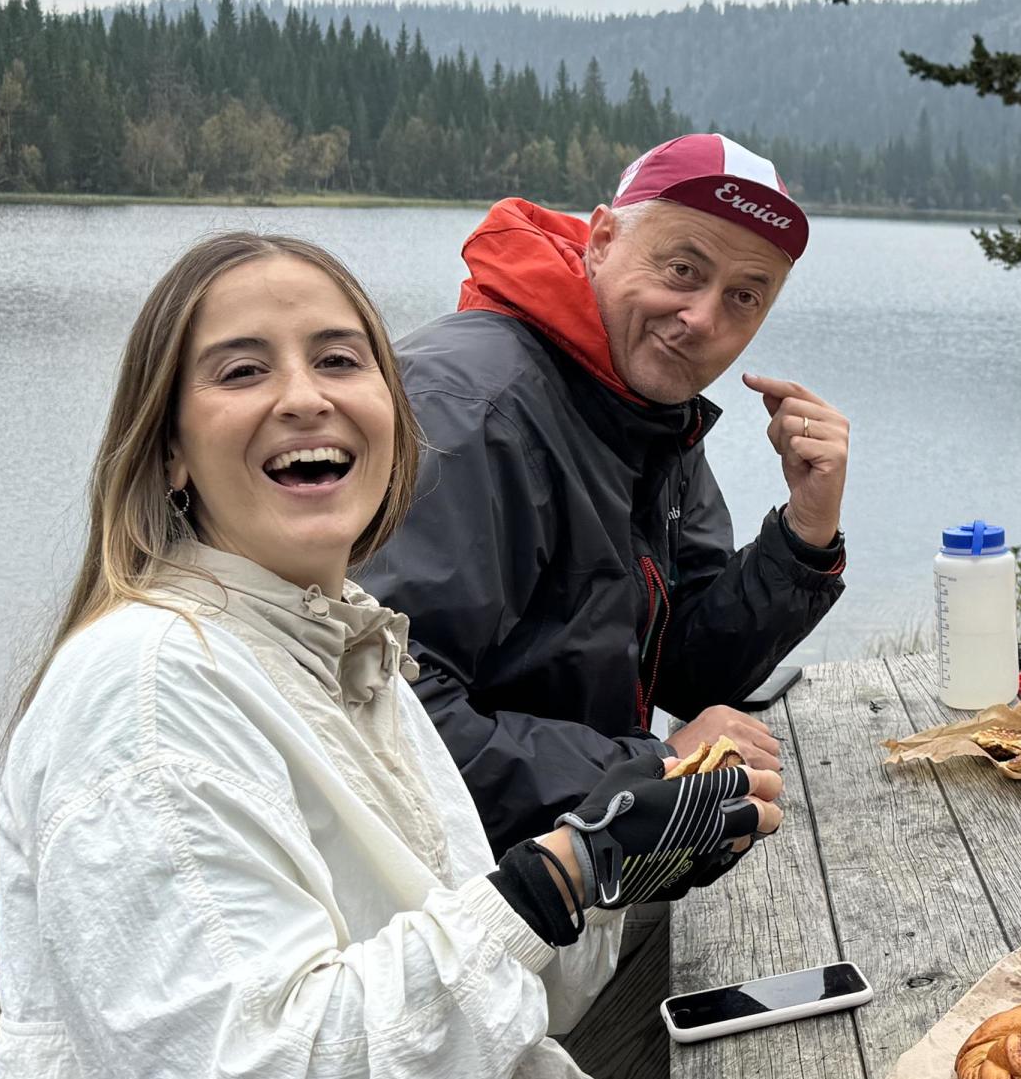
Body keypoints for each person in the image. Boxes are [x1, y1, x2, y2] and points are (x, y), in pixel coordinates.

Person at [0, 232, 782, 1079]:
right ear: (168, 449)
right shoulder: (144, 696)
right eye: (243, 369)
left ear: (391, 418)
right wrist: (551, 882)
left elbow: (509, 988)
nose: (303, 396)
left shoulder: (343, 646)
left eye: (339, 358)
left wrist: (631, 866)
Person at [359, 133, 850, 853]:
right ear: (602, 241)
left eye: (744, 297)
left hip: (563, 857)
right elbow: (383, 716)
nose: (703, 319)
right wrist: (650, 770)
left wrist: (804, 534)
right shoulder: (474, 411)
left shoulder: (642, 406)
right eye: (683, 269)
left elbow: (685, 671)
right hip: (451, 888)